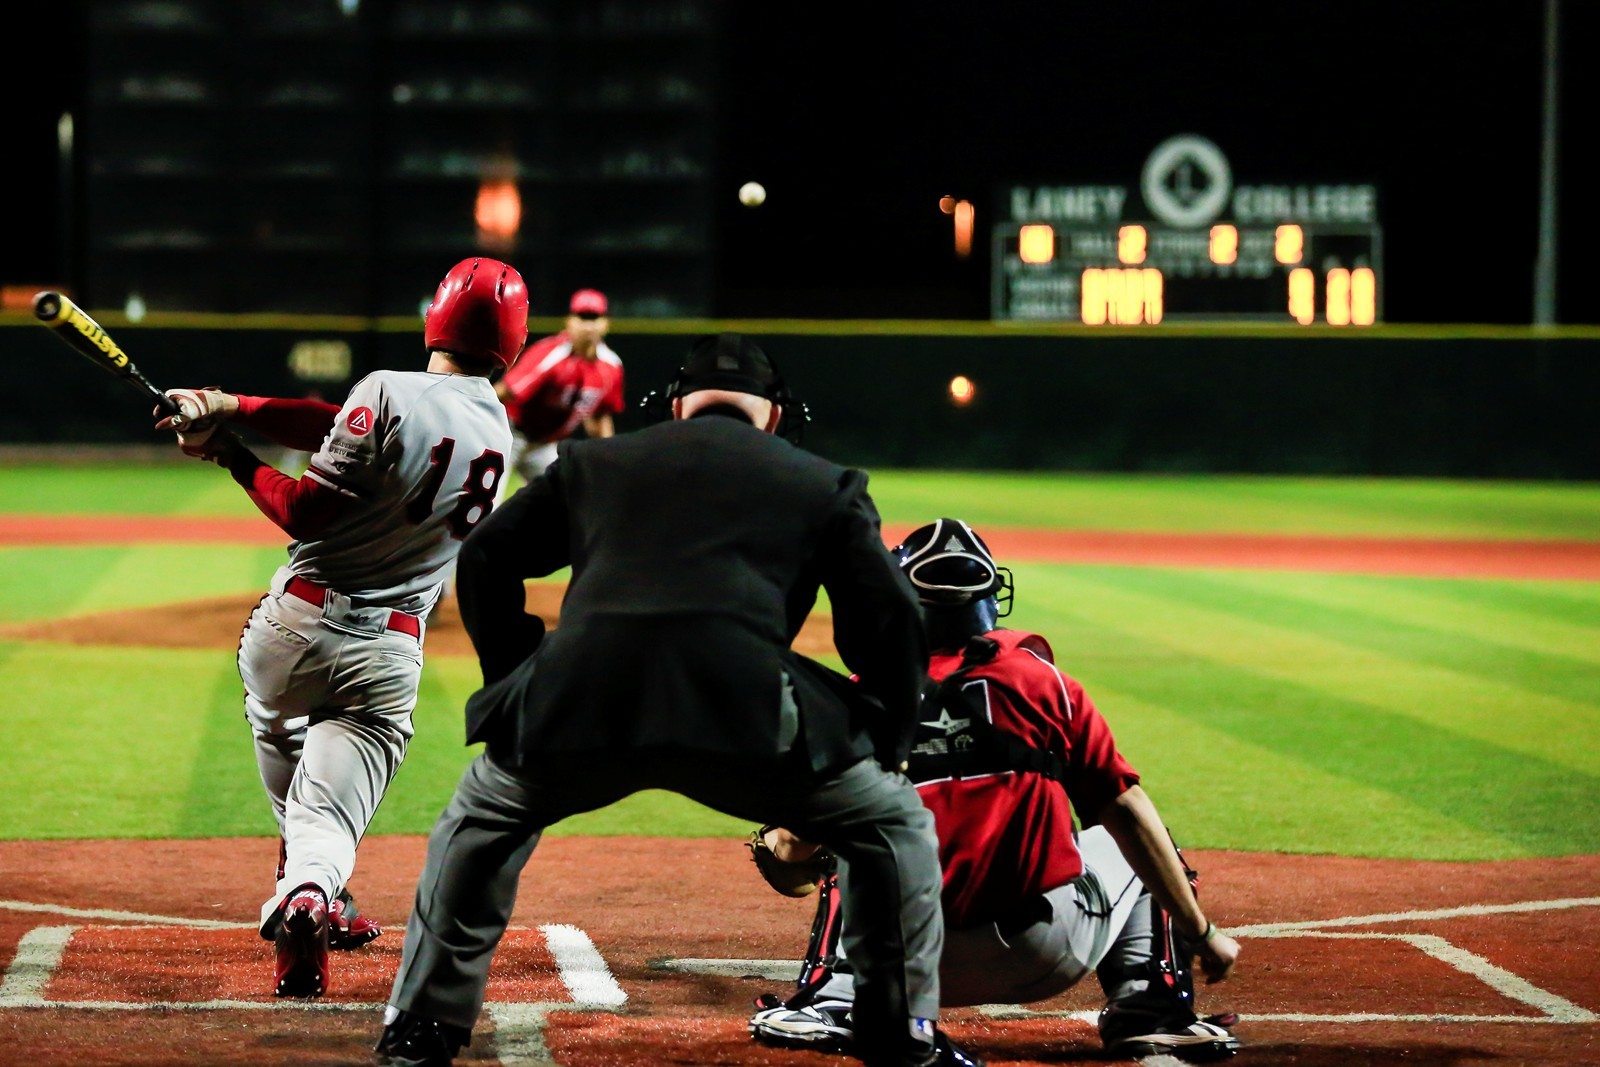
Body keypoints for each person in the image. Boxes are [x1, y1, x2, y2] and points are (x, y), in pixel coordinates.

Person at [374, 333, 980, 1067]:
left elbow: (487, 555)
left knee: (481, 820)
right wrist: (880, 740)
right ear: (775, 414)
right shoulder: (822, 481)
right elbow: (886, 621)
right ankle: (897, 1032)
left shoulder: (595, 461)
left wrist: (519, 681)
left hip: (582, 699)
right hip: (746, 712)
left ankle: (421, 1024)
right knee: (892, 826)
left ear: (675, 406)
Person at [152, 257, 525, 999]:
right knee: (327, 804)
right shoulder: (499, 433)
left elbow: (303, 510)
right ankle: (313, 893)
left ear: (435, 318)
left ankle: (312, 891)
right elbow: (337, 424)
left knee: (285, 747)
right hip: (387, 649)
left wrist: (228, 450)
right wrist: (229, 405)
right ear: (510, 343)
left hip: (289, 632)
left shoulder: (385, 386)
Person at [744, 518, 1244, 1062]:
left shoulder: (862, 698)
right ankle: (1151, 1012)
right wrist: (1203, 932)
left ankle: (833, 1000)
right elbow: (1126, 810)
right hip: (1040, 952)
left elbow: (793, 850)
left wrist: (773, 846)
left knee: (859, 836)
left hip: (902, 971)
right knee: (1135, 833)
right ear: (989, 597)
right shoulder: (1045, 683)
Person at [492, 286, 624, 504]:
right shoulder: (551, 353)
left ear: (606, 323)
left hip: (544, 445)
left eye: (595, 317)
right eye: (582, 317)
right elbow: (504, 392)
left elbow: (599, 419)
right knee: (486, 503)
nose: (588, 325)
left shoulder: (611, 366)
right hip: (510, 435)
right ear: (569, 321)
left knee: (568, 502)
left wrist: (613, 460)